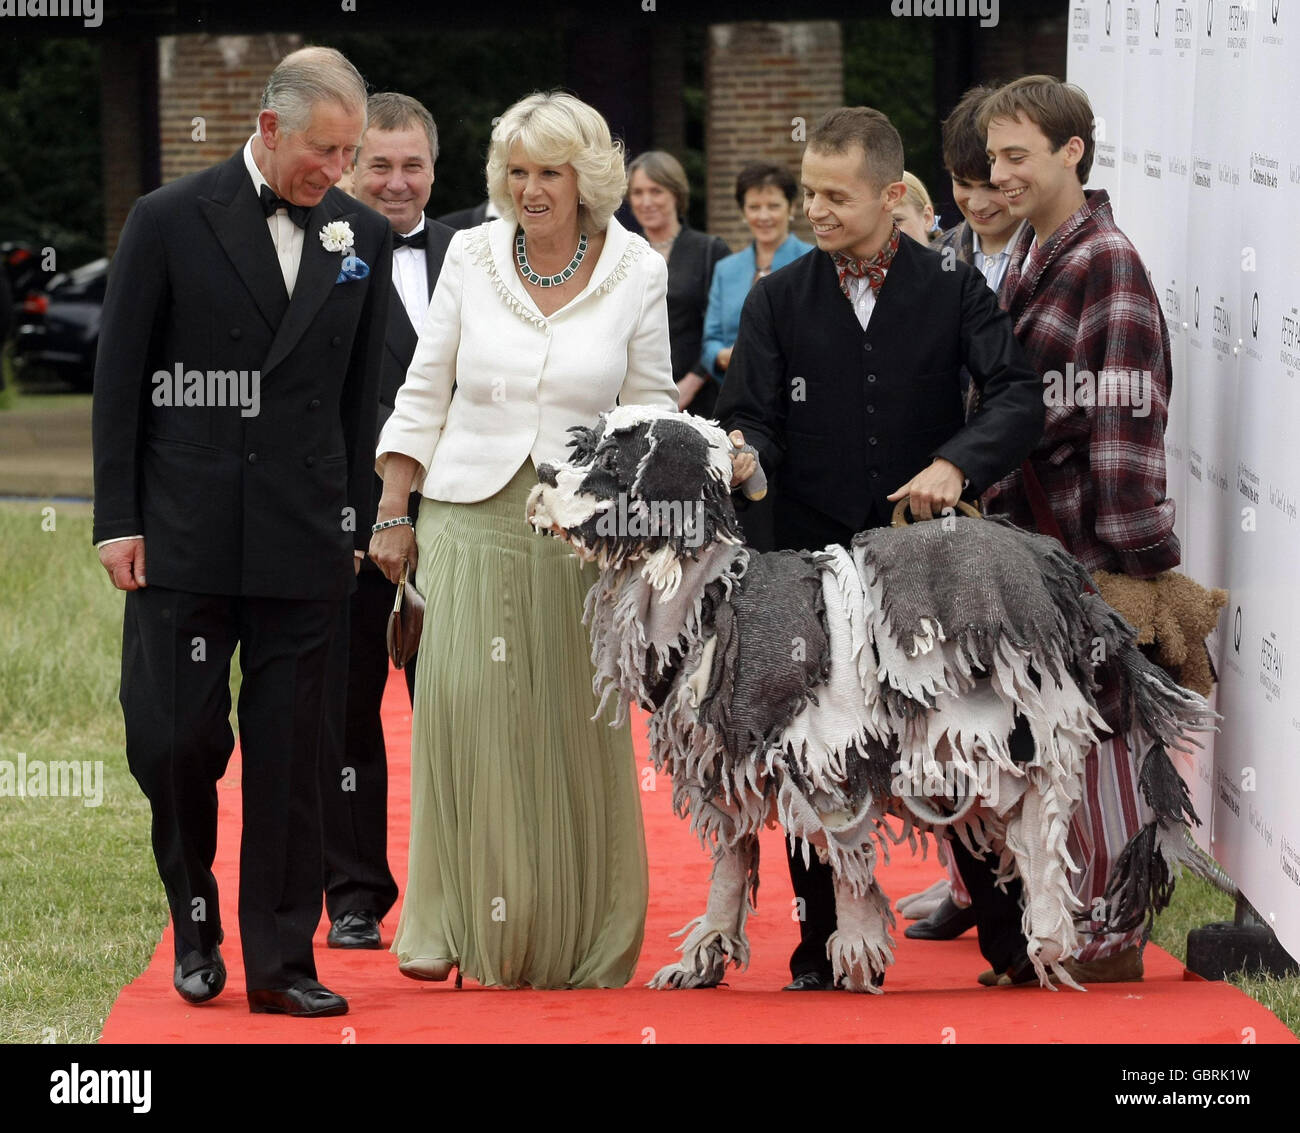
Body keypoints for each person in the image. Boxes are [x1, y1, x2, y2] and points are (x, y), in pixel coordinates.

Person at [91, 47, 391, 1017]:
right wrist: (117, 518)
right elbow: (119, 380)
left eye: (351, 151)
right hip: (183, 528)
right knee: (172, 738)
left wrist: (355, 514)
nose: (337, 171)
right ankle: (193, 912)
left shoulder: (360, 236)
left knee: (293, 755)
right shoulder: (169, 219)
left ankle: (282, 959)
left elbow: (361, 394)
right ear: (269, 128)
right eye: (325, 149)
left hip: (304, 535)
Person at [717, 105, 1044, 990]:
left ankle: (1008, 939)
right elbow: (752, 417)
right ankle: (821, 943)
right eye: (807, 193)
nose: (815, 211)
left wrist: (955, 462)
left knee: (953, 742)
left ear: (892, 194)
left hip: (927, 566)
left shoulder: (952, 287)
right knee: (811, 747)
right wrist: (744, 455)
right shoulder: (777, 297)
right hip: (809, 568)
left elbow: (1019, 393)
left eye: (835, 196)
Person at [370, 92, 678, 989]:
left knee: (570, 727)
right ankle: (456, 926)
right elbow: (425, 387)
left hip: (581, 537)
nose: (531, 188)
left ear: (588, 179)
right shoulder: (468, 252)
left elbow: (650, 405)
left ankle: (570, 934)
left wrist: (643, 527)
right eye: (517, 170)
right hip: (463, 515)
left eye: (549, 172)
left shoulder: (637, 267)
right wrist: (395, 509)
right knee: (467, 712)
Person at [962, 74, 1182, 987]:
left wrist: (1136, 565)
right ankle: (1073, 925)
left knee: (1101, 738)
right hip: (1027, 544)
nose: (1000, 174)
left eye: (1018, 156)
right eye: (993, 158)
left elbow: (1126, 422)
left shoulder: (1106, 259)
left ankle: (1118, 932)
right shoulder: (1029, 251)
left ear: (1071, 153)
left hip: (1088, 545)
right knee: (1051, 740)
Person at [319, 91, 456, 951]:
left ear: (434, 170)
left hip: (455, 525)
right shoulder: (312, 252)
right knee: (344, 717)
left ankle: (464, 891)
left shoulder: (475, 257)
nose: (397, 184)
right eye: (380, 165)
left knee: (456, 714)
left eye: (413, 166)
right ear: (350, 165)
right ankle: (356, 894)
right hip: (339, 529)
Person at [902, 85, 1029, 944]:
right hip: (941, 519)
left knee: (1011, 723)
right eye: (963, 181)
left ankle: (1032, 896)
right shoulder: (944, 256)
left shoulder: (1051, 250)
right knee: (940, 713)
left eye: (994, 178)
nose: (980, 199)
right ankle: (966, 878)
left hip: (1023, 514)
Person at [626, 151, 730, 416]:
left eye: (656, 191)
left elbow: (725, 330)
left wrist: (691, 383)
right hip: (635, 399)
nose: (646, 201)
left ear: (676, 193)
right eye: (637, 193)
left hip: (700, 399)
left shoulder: (710, 251)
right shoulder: (624, 252)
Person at [701, 162, 813, 385]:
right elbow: (710, 342)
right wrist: (724, 356)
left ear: (790, 208)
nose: (764, 216)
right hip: (738, 393)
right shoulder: (726, 269)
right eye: (754, 207)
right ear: (743, 212)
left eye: (773, 206)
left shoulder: (814, 261)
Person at [892, 171, 940, 245]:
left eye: (897, 221)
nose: (884, 233)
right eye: (876, 225)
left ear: (927, 218)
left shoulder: (957, 254)